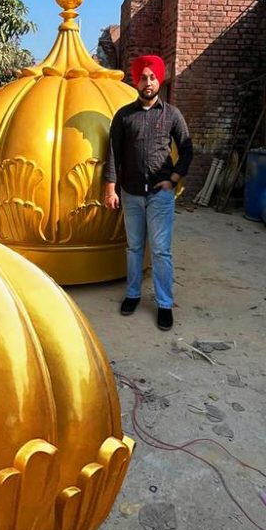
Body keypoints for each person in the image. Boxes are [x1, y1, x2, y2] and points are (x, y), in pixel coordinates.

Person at [104, 54, 193, 331]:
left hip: (160, 195)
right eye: (143, 78)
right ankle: (132, 295)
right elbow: (113, 153)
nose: (148, 82)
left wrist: (173, 179)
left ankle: (164, 304)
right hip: (130, 193)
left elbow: (187, 149)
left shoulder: (172, 115)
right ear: (136, 81)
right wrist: (110, 188)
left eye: (152, 77)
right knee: (134, 247)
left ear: (159, 80)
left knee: (161, 250)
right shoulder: (124, 116)